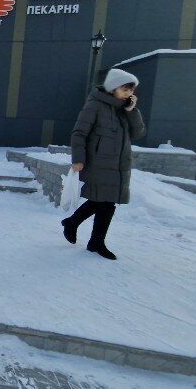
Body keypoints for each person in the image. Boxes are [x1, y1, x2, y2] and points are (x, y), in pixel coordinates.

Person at [61, 68, 146, 260]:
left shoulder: (126, 109)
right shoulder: (95, 106)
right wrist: (78, 159)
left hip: (119, 164)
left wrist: (132, 112)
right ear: (113, 88)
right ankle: (87, 234)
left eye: (131, 90)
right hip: (98, 162)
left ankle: (87, 235)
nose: (129, 94)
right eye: (125, 89)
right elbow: (79, 133)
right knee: (102, 201)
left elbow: (138, 133)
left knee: (107, 202)